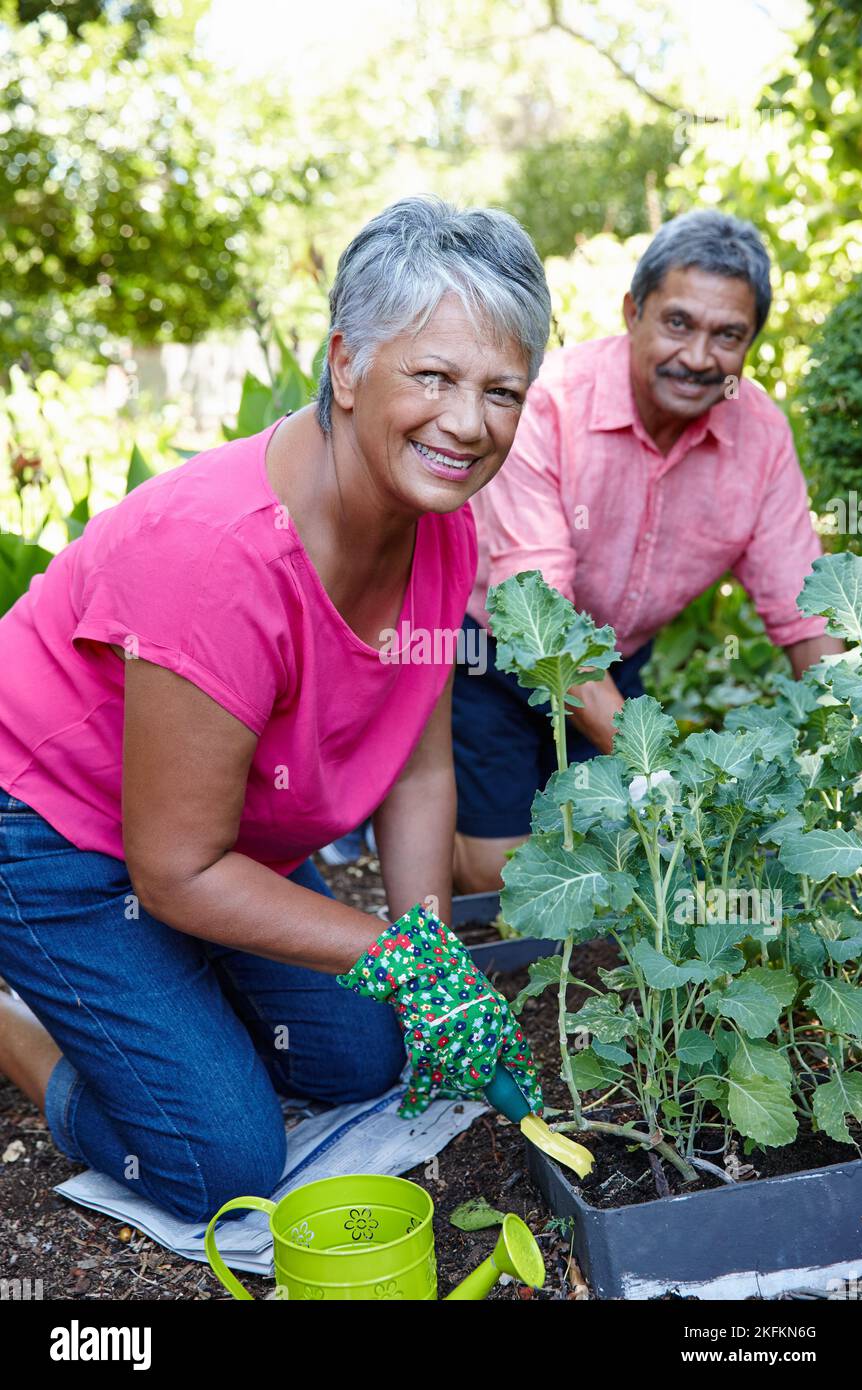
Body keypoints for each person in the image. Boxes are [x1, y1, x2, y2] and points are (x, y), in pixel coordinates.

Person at [0, 196, 550, 1222]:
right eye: (431, 376)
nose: (468, 423)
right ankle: (20, 1022)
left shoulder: (441, 527)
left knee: (365, 1054)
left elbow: (421, 766)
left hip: (218, 828)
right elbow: (173, 867)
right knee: (220, 1166)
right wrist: (387, 953)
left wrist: (424, 953)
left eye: (501, 391)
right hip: (51, 827)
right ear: (344, 364)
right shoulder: (216, 558)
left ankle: (159, 987)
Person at [452, 208, 844, 895]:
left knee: (623, 862)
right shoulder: (549, 403)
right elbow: (538, 622)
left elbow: (805, 616)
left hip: (615, 660)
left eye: (728, 336)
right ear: (633, 310)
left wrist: (846, 741)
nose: (698, 358)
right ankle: (399, 794)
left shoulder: (760, 435)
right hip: (494, 651)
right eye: (678, 324)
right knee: (504, 878)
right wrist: (654, 773)